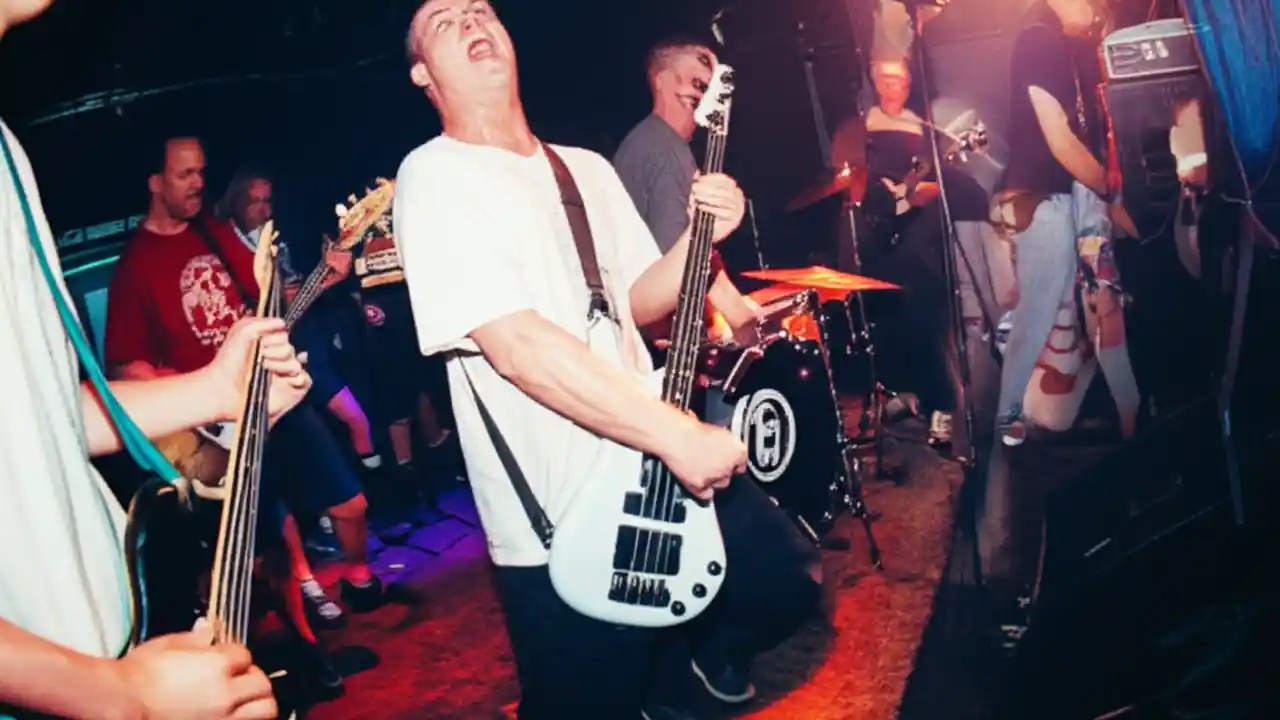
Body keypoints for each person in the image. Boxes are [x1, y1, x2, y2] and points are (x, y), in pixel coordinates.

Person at [394, 2, 822, 718]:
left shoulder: (584, 169)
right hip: (556, 517)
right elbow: (516, 346)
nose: (471, 22)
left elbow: (639, 296)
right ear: (421, 74)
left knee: (783, 578)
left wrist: (700, 236)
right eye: (444, 22)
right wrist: (677, 434)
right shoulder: (434, 178)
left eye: (481, 10)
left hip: (648, 467)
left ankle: (691, 664)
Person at [0, 4, 303, 711]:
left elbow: (38, 413)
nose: (200, 183)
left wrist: (216, 388)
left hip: (101, 646)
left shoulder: (9, 152)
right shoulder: (136, 262)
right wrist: (117, 695)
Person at [104, 136, 388, 630]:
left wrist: (328, 275)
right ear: (155, 183)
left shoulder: (214, 233)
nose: (198, 184)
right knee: (272, 547)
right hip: (217, 429)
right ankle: (308, 645)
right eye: (184, 175)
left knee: (351, 504)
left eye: (201, 172)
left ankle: (353, 572)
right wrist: (201, 397)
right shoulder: (134, 268)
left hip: (272, 402)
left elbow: (271, 302)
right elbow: (129, 368)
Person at [612, 35, 759, 353]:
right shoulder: (666, 149)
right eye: (696, 82)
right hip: (659, 345)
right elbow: (684, 255)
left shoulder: (641, 142)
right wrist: (739, 319)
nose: (702, 95)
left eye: (708, 89)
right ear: (660, 79)